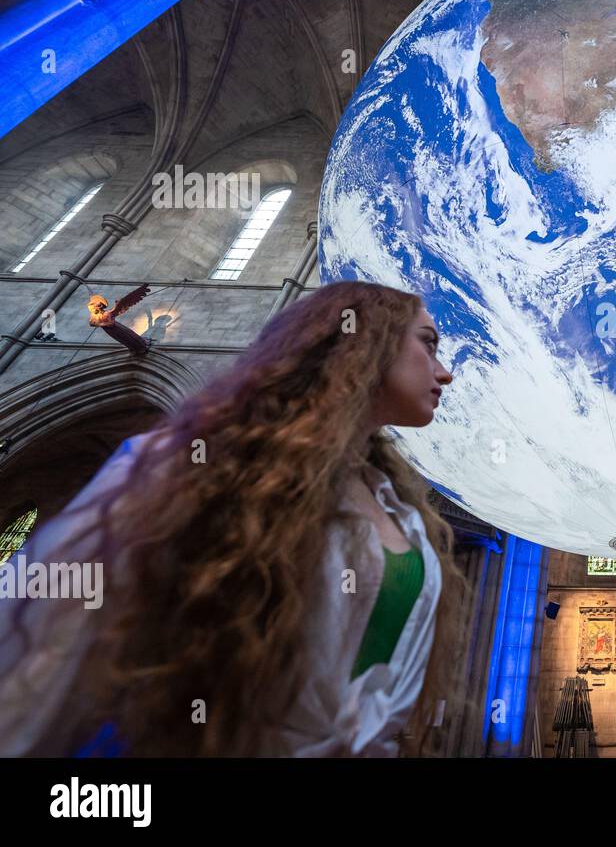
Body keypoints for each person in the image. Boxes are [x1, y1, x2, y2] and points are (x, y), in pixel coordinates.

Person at [0, 280, 465, 756]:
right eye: (427, 344)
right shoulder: (196, 467)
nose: (445, 373)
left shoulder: (402, 513)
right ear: (363, 342)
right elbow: (44, 661)